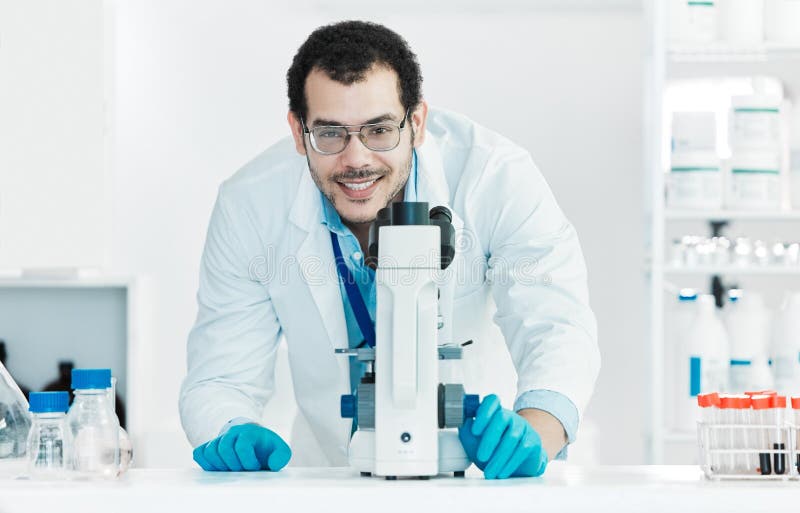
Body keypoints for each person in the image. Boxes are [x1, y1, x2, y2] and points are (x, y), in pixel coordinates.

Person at [180, 20, 600, 479]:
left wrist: (538, 429)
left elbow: (558, 326)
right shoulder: (251, 204)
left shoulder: (493, 176)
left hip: (478, 474)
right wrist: (229, 429)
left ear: (416, 123)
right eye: (330, 133)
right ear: (299, 133)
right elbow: (221, 376)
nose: (356, 158)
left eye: (379, 130)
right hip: (334, 477)